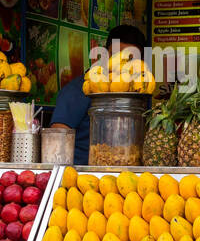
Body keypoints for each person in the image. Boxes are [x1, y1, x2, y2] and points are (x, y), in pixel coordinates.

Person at [49, 23, 147, 165]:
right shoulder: (80, 89)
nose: (122, 63)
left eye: (129, 59)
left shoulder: (137, 92)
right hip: (84, 174)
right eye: (116, 56)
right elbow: (58, 136)